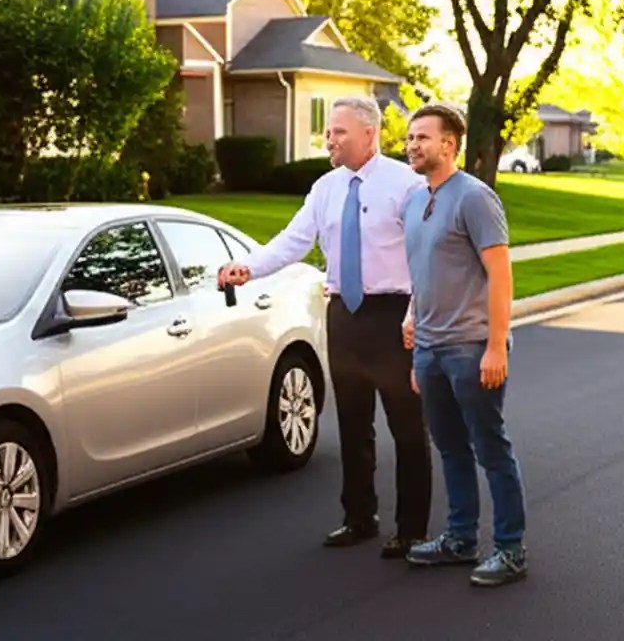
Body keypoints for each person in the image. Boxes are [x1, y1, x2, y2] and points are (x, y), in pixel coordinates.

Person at [217, 96, 432, 558]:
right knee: (353, 425)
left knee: (408, 428)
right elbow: (292, 241)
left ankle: (412, 529)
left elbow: (426, 258)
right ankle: (359, 517)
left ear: (369, 134)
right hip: (345, 318)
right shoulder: (325, 188)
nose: (329, 139)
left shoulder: (407, 186)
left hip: (395, 316)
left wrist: (417, 312)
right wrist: (248, 268)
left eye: (338, 132)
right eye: (329, 131)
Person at [398, 102, 528, 587]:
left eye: (423, 138)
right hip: (430, 348)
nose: (413, 145)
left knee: (490, 448)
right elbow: (422, 272)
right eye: (410, 138)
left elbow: (500, 273)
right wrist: (414, 329)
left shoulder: (474, 198)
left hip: (471, 347)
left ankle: (511, 549)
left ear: (449, 144)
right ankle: (460, 539)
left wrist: (496, 346)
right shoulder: (415, 201)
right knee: (450, 448)